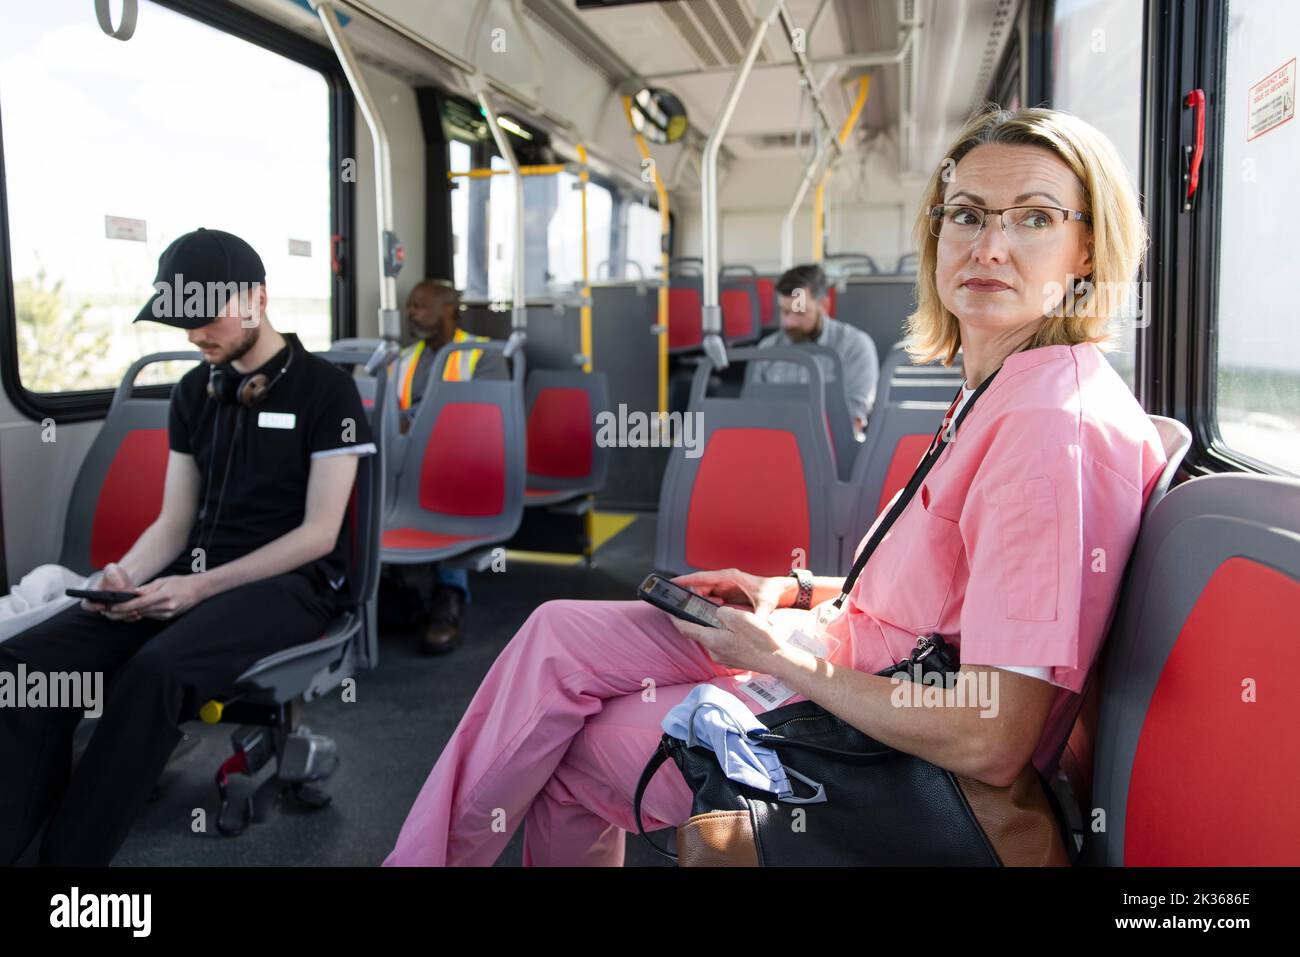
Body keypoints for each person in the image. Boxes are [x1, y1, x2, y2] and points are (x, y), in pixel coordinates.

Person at [383, 106, 1167, 867]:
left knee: (572, 750)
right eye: (966, 214)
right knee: (556, 631)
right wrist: (789, 590)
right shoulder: (998, 388)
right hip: (833, 641)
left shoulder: (1047, 428)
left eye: (1034, 218)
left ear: (1088, 250)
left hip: (876, 741)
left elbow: (992, 737)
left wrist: (781, 662)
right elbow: (948, 590)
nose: (990, 246)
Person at [0, 227, 375, 866]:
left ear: (256, 298)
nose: (194, 336)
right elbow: (175, 524)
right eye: (183, 322)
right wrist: (125, 575)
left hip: (295, 583)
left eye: (205, 319)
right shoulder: (193, 393)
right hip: (190, 569)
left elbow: (319, 534)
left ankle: (68, 871)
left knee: (152, 675)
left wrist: (198, 586)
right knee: (24, 665)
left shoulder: (327, 393)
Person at [387, 279, 508, 656]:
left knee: (450, 484)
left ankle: (448, 592)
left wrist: (417, 425)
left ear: (448, 309)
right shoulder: (404, 360)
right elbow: (390, 413)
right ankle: (396, 585)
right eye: (409, 306)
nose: (411, 313)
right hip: (407, 458)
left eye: (420, 306)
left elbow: (486, 421)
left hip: (467, 461)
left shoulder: (483, 355)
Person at [751, 263, 879, 437]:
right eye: (784, 312)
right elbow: (752, 413)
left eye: (800, 313)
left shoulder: (855, 347)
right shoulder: (767, 349)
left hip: (834, 452)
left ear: (824, 305)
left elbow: (852, 422)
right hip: (774, 446)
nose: (789, 323)